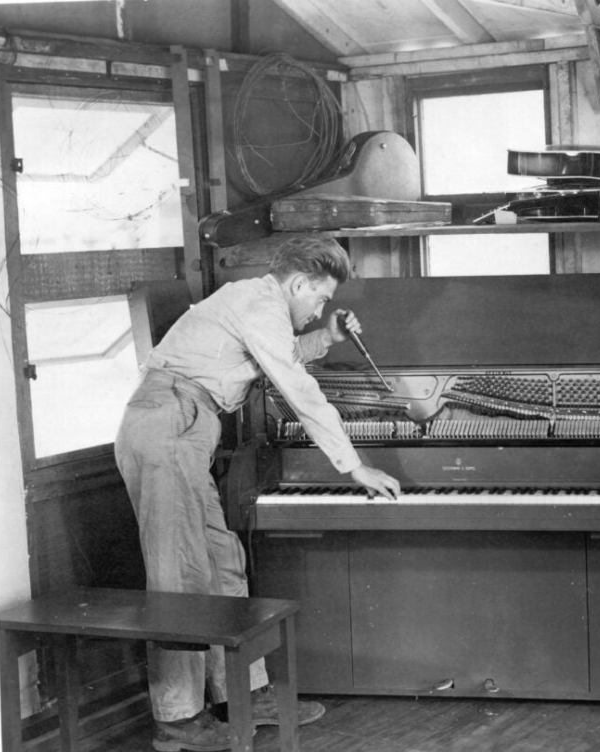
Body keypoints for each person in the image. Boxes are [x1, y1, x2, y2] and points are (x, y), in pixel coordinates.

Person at [115, 234, 401, 752]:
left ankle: (241, 697)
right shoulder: (258, 302)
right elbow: (294, 384)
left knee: (223, 561)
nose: (320, 309)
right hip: (168, 424)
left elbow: (272, 357)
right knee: (179, 575)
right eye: (320, 299)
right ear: (297, 283)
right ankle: (178, 721)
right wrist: (352, 464)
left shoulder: (260, 305)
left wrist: (328, 338)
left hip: (187, 427)